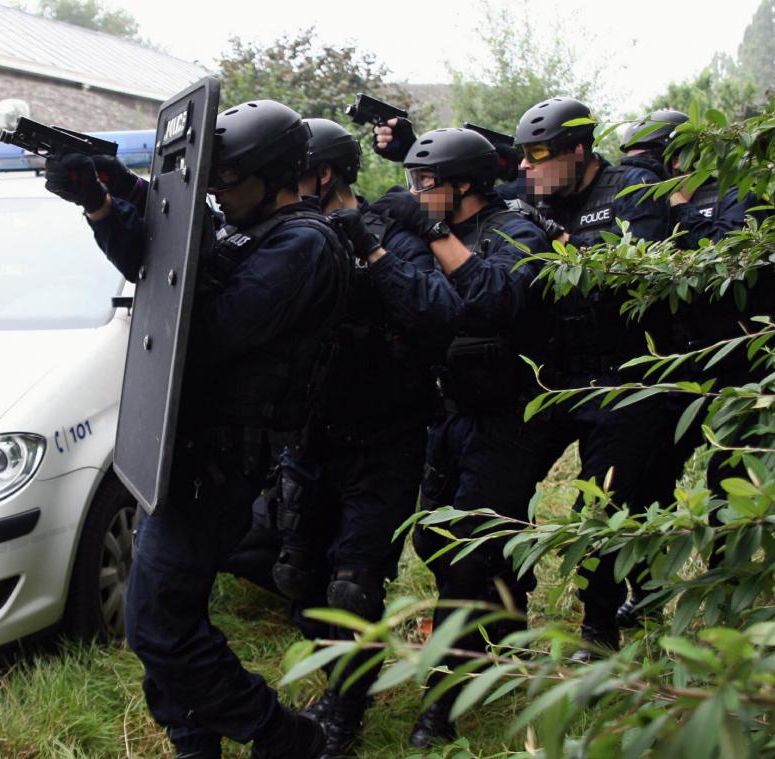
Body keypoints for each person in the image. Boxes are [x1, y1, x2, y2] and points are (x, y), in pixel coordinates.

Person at [42, 100, 346, 759]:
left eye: (225, 181)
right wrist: (109, 198)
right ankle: (192, 741)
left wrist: (119, 207)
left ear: (269, 176)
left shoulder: (303, 245)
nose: (214, 194)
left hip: (220, 461)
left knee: (156, 624)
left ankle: (286, 736)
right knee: (167, 617)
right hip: (177, 452)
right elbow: (161, 266)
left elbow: (197, 330)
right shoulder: (249, 228)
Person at [266, 118, 452, 759]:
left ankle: (344, 713)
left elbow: (436, 314)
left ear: (323, 175)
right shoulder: (288, 233)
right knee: (300, 578)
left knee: (353, 582)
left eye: (294, 176)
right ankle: (340, 683)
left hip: (385, 436)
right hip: (311, 435)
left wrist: (369, 255)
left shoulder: (392, 232)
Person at [372, 125, 554, 746]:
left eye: (429, 183)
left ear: (467, 186)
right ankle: (507, 632)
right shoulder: (436, 227)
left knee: (468, 557)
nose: (418, 191)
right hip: (443, 410)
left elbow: (496, 297)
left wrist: (431, 231)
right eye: (414, 182)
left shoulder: (519, 228)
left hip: (504, 417)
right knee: (433, 538)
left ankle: (443, 700)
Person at [509, 96, 679, 657]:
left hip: (621, 375)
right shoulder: (535, 195)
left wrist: (560, 248)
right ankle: (502, 624)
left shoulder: (632, 187)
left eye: (539, 156)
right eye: (523, 158)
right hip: (555, 376)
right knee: (505, 489)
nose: (528, 169)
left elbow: (637, 275)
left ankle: (599, 628)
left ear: (578, 150)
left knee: (600, 511)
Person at [614, 110, 775, 627]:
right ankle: (642, 593)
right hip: (677, 364)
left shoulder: (740, 195)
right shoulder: (641, 208)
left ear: (679, 157)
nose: (637, 175)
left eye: (646, 163)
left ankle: (724, 592)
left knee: (728, 478)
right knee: (642, 478)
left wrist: (683, 210)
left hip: (742, 360)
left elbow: (725, 266)